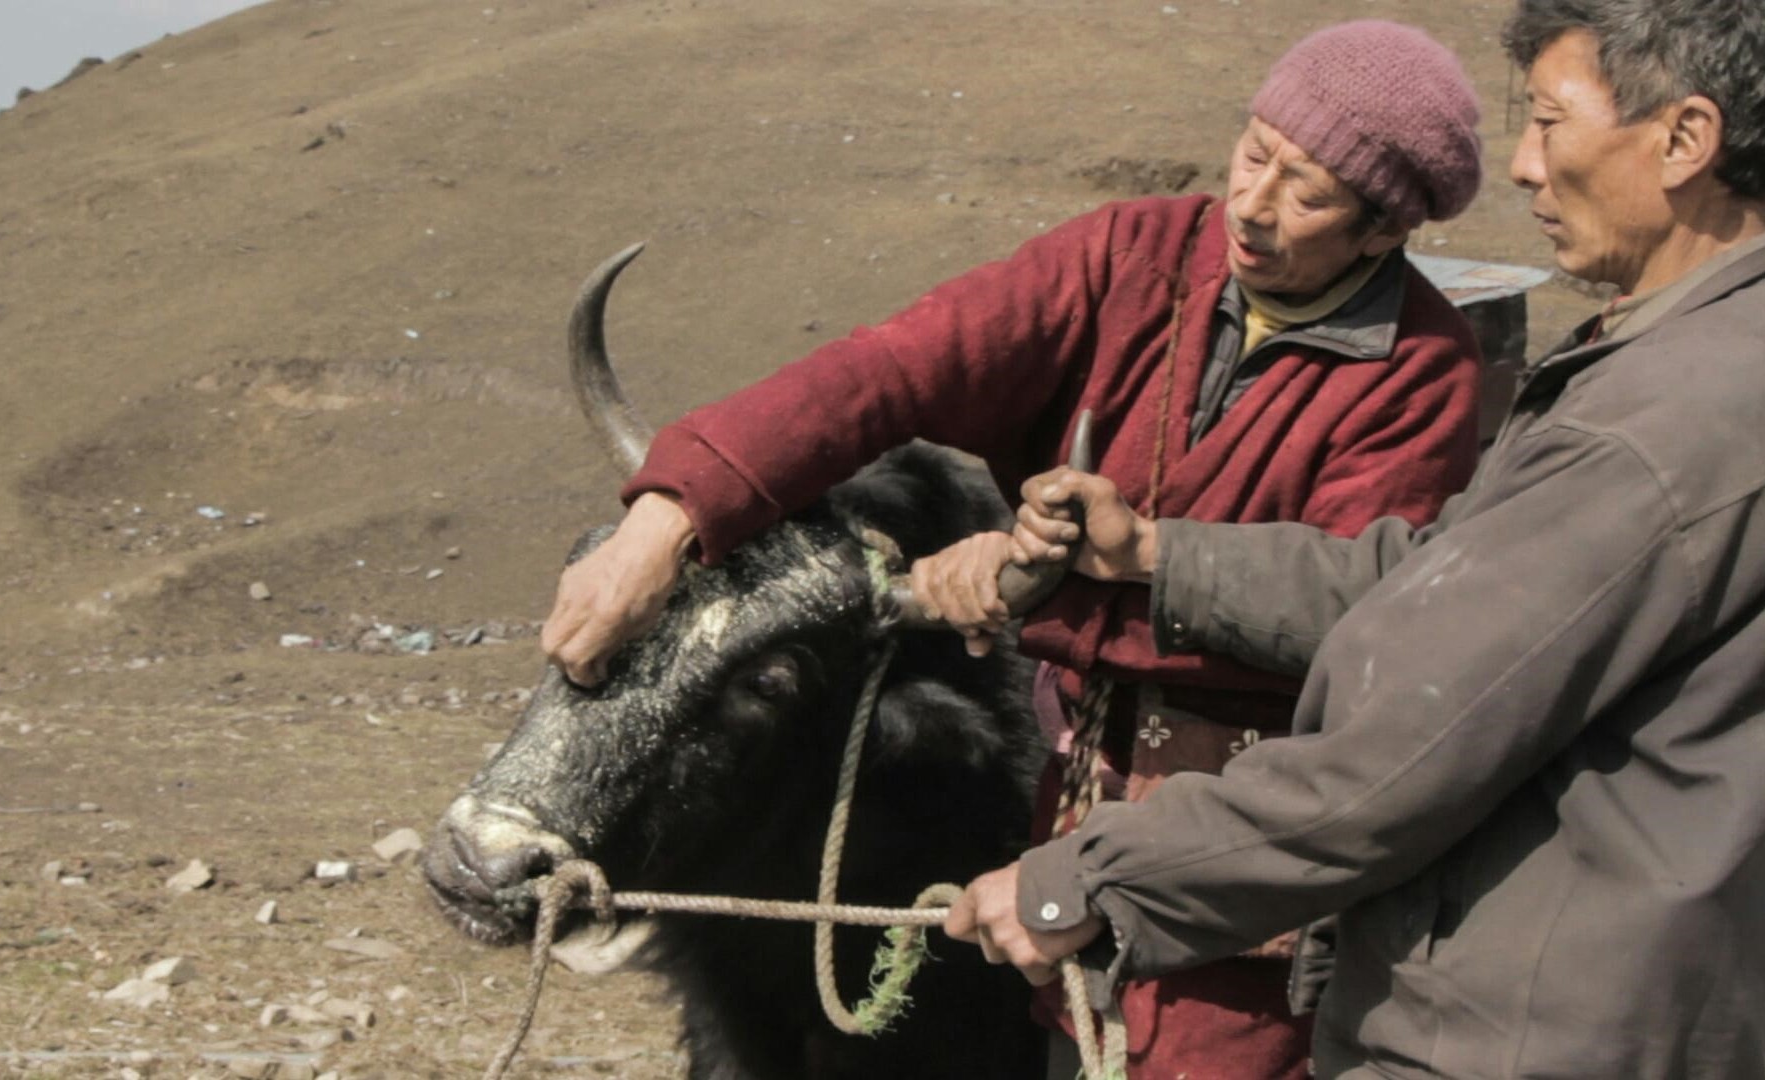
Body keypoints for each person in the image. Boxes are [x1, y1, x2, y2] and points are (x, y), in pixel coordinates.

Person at [544, 20, 1486, 1079]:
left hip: (1256, 850)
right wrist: (674, 515)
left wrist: (1028, 591)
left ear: (1379, 231)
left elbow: (1337, 630)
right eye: (1253, 152)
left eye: (1306, 190)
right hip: (1074, 807)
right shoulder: (1138, 256)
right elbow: (898, 370)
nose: (1254, 207)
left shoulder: (1423, 372)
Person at [943, 1, 1765, 1076]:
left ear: (1684, 140)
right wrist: (1156, 554)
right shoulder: (1705, 364)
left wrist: (1087, 879)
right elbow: (1440, 582)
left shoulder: (1652, 430)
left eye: (1553, 123)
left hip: (1523, 1032)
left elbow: (1412, 741)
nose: (1521, 166)